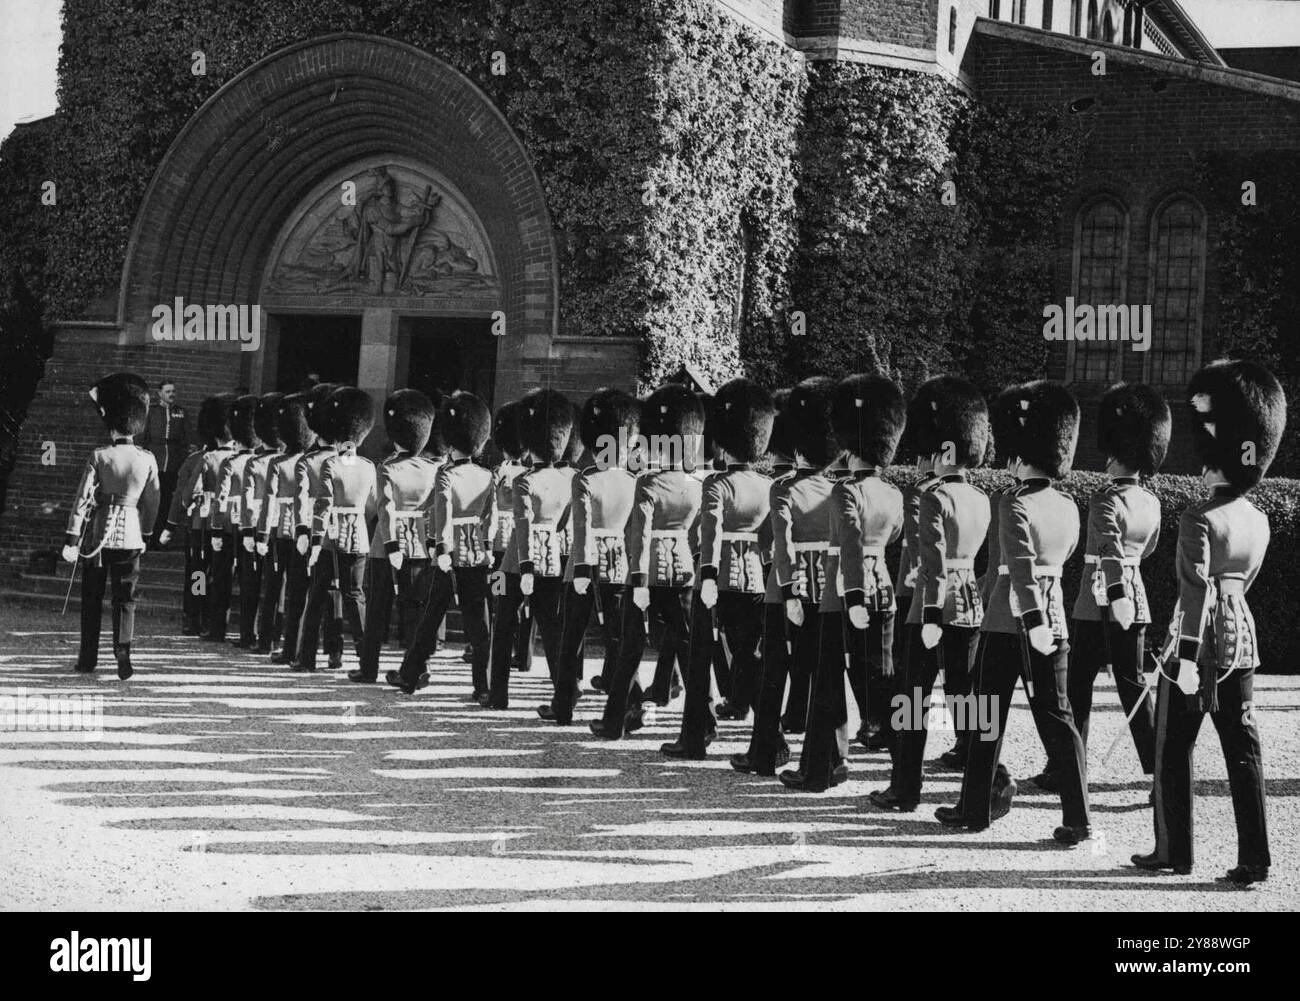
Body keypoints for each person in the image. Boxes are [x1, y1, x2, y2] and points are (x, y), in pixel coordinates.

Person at [1133, 359, 1286, 886]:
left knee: (1173, 749)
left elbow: (1193, 589)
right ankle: (1256, 858)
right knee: (1244, 750)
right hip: (1241, 639)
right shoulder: (1259, 519)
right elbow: (1242, 582)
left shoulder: (1199, 517)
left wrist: (1190, 655)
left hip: (1196, 648)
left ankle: (1173, 852)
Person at [938, 381, 1089, 843]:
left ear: (1022, 454)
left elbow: (1019, 570)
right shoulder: (1068, 506)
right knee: (1059, 719)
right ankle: (1079, 818)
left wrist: (1031, 621)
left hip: (1009, 622)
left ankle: (977, 807)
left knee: (986, 716)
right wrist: (1045, 621)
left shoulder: (1015, 501)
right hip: (1054, 619)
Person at [1034, 382, 1168, 791]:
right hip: (1135, 599)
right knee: (1133, 687)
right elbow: (1145, 552)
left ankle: (1067, 767)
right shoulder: (1152, 502)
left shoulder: (1103, 500)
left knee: (1077, 688)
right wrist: (1125, 591)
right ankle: (1159, 770)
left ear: (1118, 454)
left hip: (1096, 605)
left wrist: (1113, 592)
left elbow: (1107, 551)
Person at [871, 376, 991, 812]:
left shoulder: (934, 497)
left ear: (943, 449)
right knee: (966, 698)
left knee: (912, 699)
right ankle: (994, 777)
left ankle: (905, 788)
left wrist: (931, 615)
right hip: (970, 606)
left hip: (932, 606)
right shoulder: (981, 497)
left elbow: (934, 563)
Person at [781, 373, 904, 793]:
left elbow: (848, 546)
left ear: (849, 447)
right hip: (882, 590)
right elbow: (893, 539)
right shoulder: (893, 494)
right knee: (882, 682)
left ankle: (821, 768)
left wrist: (851, 596)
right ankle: (892, 766)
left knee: (827, 683)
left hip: (843, 595)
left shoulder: (844, 493)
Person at [733, 377, 842, 775]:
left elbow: (779, 542)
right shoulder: (836, 491)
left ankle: (763, 753)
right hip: (828, 592)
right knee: (821, 673)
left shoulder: (784, 490)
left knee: (772, 673)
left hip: (786, 592)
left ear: (797, 449)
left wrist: (791, 589)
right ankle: (831, 755)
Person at [663, 379, 775, 759]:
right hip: (755, 580)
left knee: (699, 660)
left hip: (717, 579)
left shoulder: (716, 484)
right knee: (750, 660)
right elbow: (769, 541)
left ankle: (695, 736)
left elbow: (710, 533)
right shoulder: (767, 485)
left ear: (723, 444)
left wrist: (707, 575)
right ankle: (770, 739)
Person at [590, 384, 704, 740]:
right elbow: (697, 535)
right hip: (683, 572)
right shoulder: (695, 484)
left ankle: (615, 722)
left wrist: (638, 581)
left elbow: (637, 535)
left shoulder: (649, 484)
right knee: (689, 650)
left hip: (647, 574)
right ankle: (704, 722)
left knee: (629, 648)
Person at [539, 388, 640, 725]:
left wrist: (581, 569)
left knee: (571, 640)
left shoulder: (585, 480)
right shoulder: (632, 480)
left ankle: (564, 705)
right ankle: (632, 699)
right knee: (618, 637)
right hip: (619, 566)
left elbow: (581, 529)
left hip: (583, 565)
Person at [391, 391, 495, 696]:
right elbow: (490, 518)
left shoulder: (446, 475)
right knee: (479, 623)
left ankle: (410, 675)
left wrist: (443, 549)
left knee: (429, 618)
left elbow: (443, 513)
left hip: (446, 554)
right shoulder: (486, 475)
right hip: (476, 553)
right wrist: (486, 549)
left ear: (451, 443)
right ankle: (484, 686)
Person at [61, 373, 159, 679]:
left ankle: (87, 659)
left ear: (113, 424)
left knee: (92, 600)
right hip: (131, 535)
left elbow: (81, 500)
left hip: (98, 537)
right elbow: (153, 501)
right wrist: (146, 532)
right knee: (125, 599)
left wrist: (72, 539)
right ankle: (123, 654)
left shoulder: (100, 456)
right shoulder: (147, 458)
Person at [486, 389, 576, 708]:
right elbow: (564, 521)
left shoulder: (524, 480)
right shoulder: (568, 480)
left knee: (504, 625)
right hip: (551, 558)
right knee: (552, 631)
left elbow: (522, 527)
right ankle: (563, 691)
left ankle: (498, 694)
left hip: (515, 563)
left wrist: (525, 568)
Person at [356, 390, 438, 684]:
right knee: (414, 609)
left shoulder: (388, 467)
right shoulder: (433, 469)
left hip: (385, 547)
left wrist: (391, 543)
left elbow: (385, 507)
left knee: (378, 610)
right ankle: (416, 666)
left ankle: (368, 669)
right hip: (419, 545)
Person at [300, 388, 376, 672]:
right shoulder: (369, 467)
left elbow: (324, 505)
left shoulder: (330, 464)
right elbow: (372, 507)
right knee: (355, 596)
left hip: (331, 538)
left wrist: (316, 540)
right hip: (359, 537)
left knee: (319, 594)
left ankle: (306, 657)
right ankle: (366, 658)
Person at [158, 393, 234, 636]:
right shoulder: (239, 459)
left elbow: (181, 497)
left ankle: (194, 616)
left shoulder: (198, 459)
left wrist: (170, 525)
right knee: (220, 573)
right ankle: (213, 617)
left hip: (201, 525)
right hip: (228, 525)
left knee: (198, 571)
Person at [254, 393, 314, 658]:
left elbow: (269, 502)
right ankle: (296, 643)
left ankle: (267, 638)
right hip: (307, 528)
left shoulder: (278, 463)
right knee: (298, 590)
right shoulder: (313, 462)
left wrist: (262, 535)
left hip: (281, 529)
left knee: (274, 587)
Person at [289, 383, 341, 669]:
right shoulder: (347, 463)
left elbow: (301, 500)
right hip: (337, 534)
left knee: (306, 594)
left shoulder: (307, 462)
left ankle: (304, 653)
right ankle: (335, 652)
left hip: (310, 532)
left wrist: (302, 532)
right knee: (333, 593)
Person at [486, 401, 536, 674]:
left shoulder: (500, 473)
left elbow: (491, 509)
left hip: (500, 544)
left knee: (500, 597)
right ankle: (524, 655)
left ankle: (499, 650)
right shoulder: (530, 474)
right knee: (526, 602)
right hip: (524, 543)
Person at [207, 395, 261, 643]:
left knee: (222, 579)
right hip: (253, 525)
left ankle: (218, 628)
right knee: (249, 581)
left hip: (228, 524)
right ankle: (248, 633)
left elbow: (220, 499)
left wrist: (216, 529)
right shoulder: (260, 462)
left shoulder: (230, 462)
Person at [232, 393, 284, 648]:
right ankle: (272, 636)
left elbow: (247, 500)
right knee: (275, 586)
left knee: (250, 585)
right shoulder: (292, 462)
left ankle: (247, 634)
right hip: (281, 528)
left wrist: (248, 531)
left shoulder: (254, 463)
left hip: (254, 529)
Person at [139, 379, 190, 548]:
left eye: (173, 391)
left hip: (173, 465)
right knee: (153, 501)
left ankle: (161, 540)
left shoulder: (180, 412)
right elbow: (144, 437)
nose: (171, 394)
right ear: (159, 393)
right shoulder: (151, 411)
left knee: (168, 502)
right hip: (155, 462)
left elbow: (184, 439)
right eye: (168, 391)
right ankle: (147, 537)